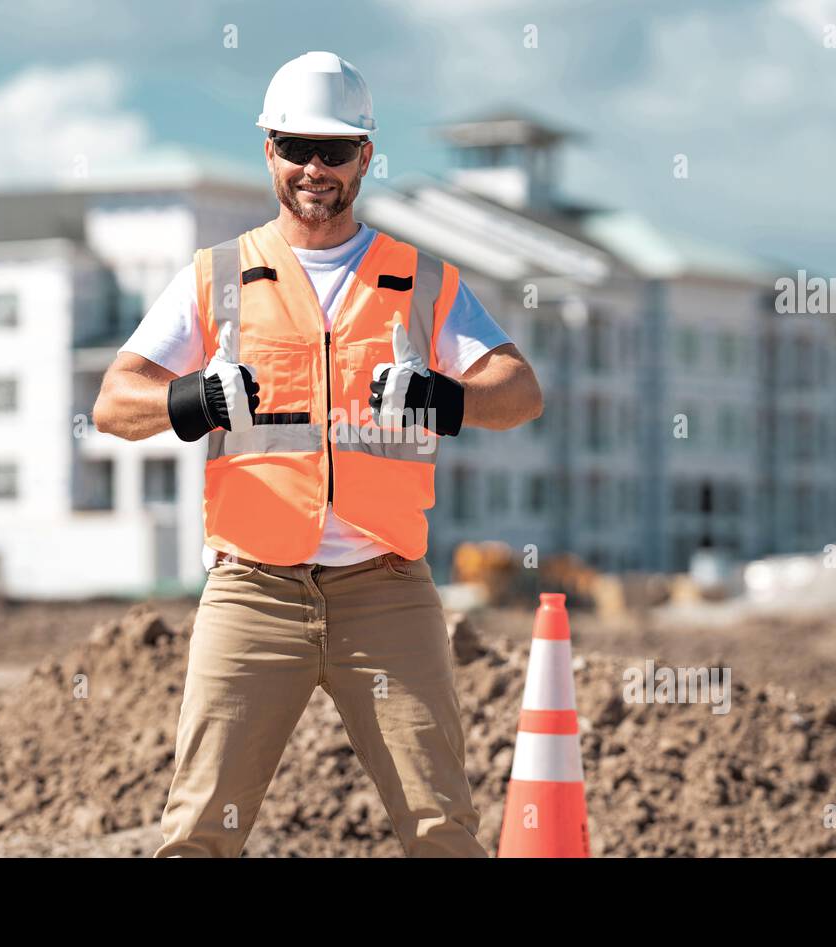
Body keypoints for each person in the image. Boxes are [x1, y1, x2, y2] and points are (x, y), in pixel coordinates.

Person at [93, 51, 543, 857]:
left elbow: (519, 389)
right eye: (296, 147)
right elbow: (112, 404)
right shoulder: (218, 277)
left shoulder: (418, 278)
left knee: (443, 831)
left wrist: (445, 398)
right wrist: (189, 398)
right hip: (251, 590)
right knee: (195, 834)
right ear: (268, 150)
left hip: (387, 591)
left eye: (334, 151)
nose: (314, 168)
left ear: (365, 157)